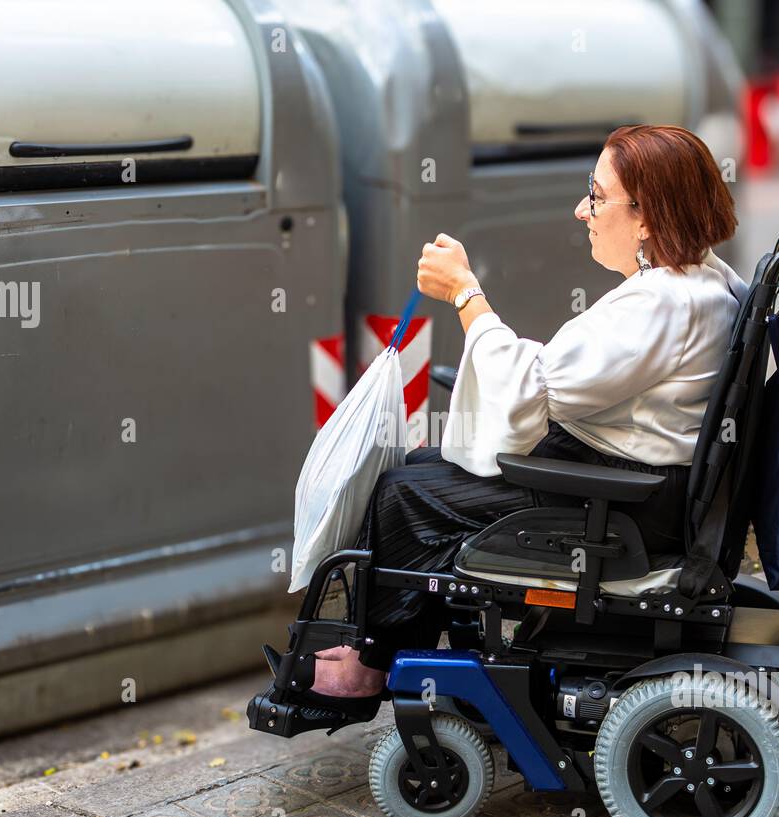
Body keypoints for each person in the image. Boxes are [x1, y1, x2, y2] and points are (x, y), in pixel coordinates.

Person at [308, 124, 745, 708]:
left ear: (647, 218)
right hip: (649, 487)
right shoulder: (709, 282)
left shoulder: (662, 304)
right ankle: (404, 648)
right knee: (424, 466)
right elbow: (562, 378)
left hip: (630, 506)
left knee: (401, 493)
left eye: (596, 195)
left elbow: (525, 390)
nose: (581, 210)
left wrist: (466, 293)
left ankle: (376, 661)